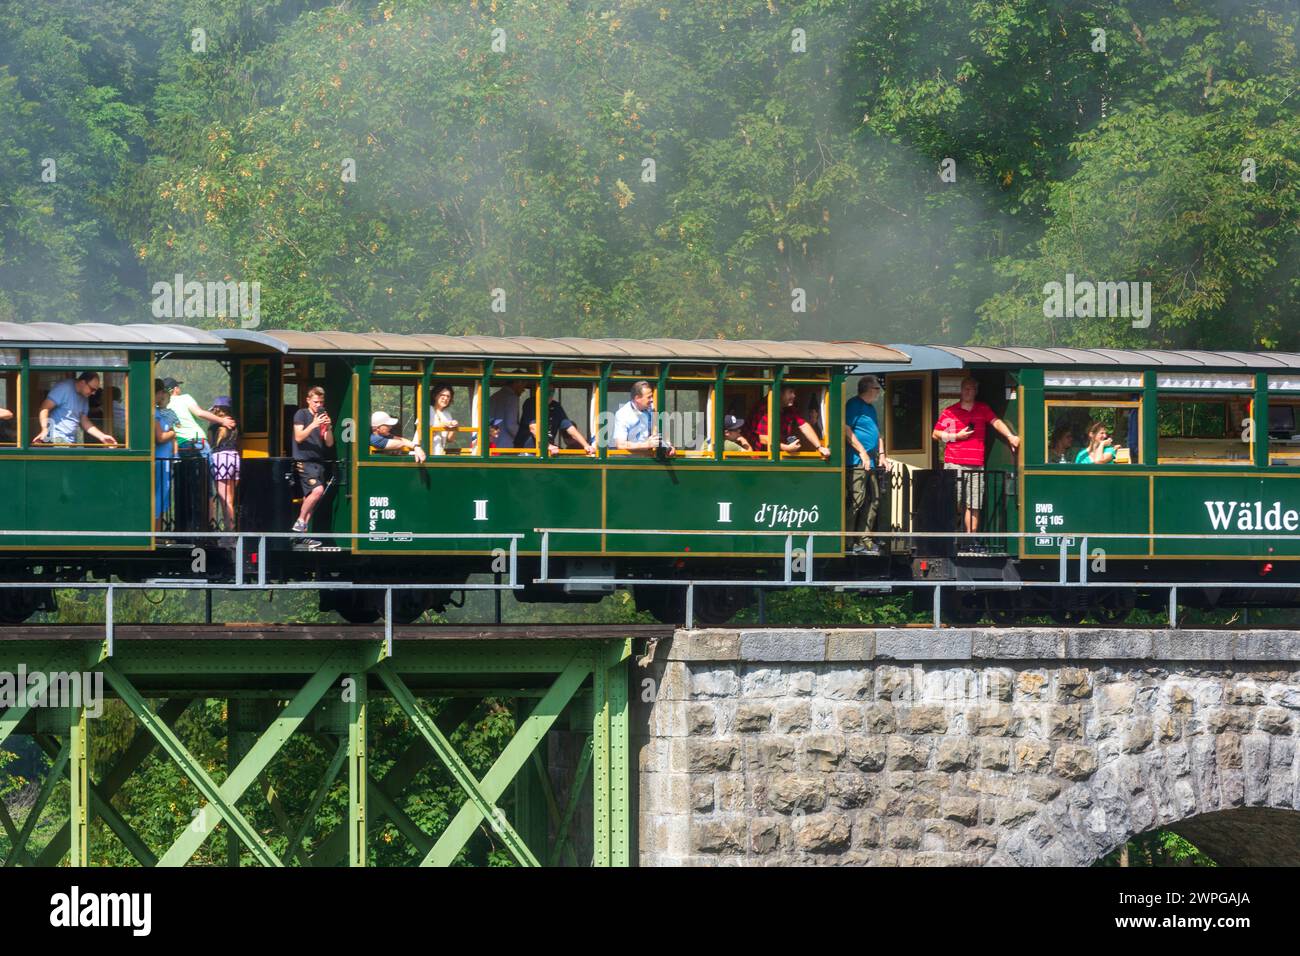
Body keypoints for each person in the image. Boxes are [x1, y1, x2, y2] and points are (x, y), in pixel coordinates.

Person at [932, 376, 1020, 536]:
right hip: (954, 463)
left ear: (976, 391)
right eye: (965, 387)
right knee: (953, 501)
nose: (967, 391)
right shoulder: (950, 411)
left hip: (976, 465)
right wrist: (956, 437)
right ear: (960, 390)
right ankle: (952, 538)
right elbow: (935, 434)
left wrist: (1010, 436)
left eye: (971, 388)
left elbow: (996, 422)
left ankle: (970, 539)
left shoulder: (982, 409)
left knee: (974, 504)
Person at [845, 375, 888, 554]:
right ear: (868, 389)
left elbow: (877, 434)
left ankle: (865, 538)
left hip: (871, 461)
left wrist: (883, 455)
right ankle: (847, 540)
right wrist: (862, 452)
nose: (879, 392)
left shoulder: (871, 408)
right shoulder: (854, 405)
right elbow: (845, 429)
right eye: (877, 388)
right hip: (856, 462)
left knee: (875, 499)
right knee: (857, 500)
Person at [292, 386, 334, 545]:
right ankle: (300, 521)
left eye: (321, 402)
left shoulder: (323, 416)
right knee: (317, 491)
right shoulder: (301, 414)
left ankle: (302, 535)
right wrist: (314, 424)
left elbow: (329, 443)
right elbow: (299, 437)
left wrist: (328, 427)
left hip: (318, 462)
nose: (318, 405)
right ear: (308, 400)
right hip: (304, 461)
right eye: (316, 402)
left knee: (310, 499)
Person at [35, 372, 117, 445]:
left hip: (70, 441)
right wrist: (44, 429)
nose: (93, 393)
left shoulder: (84, 396)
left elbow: (84, 420)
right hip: (55, 437)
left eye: (95, 390)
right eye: (92, 389)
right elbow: (44, 408)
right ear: (82, 382)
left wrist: (102, 436)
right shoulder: (63, 388)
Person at [164, 377, 234, 461]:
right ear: (175, 389)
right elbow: (199, 413)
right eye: (178, 386)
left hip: (179, 445)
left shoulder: (162, 406)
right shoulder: (184, 398)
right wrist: (223, 421)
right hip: (197, 441)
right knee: (207, 472)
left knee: (187, 473)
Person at [519, 390, 596, 456]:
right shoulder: (531, 403)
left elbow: (570, 428)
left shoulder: (556, 406)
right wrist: (548, 446)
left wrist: (586, 446)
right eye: (548, 391)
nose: (550, 394)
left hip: (546, 452)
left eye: (552, 391)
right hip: (528, 452)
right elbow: (533, 428)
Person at [613, 380, 673, 457]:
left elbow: (662, 434)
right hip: (631, 463)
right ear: (637, 398)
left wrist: (669, 446)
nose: (652, 400)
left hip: (651, 460)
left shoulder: (653, 409)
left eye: (652, 396)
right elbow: (621, 444)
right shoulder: (623, 414)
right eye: (649, 397)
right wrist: (646, 444)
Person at [209, 396, 240, 535]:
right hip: (234, 457)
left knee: (224, 499)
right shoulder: (234, 423)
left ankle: (229, 531)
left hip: (220, 459)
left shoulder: (214, 425)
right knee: (230, 498)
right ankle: (231, 528)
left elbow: (211, 444)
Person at [153, 379, 179, 532]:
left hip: (165, 460)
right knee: (159, 495)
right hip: (160, 461)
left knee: (163, 495)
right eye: (161, 392)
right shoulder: (155, 412)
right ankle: (155, 534)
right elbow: (160, 437)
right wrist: (174, 432)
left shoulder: (161, 413)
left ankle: (159, 532)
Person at [778, 387, 830, 458]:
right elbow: (764, 438)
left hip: (781, 455)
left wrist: (819, 447)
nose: (794, 395)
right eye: (790, 392)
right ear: (780, 393)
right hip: (763, 457)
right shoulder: (766, 408)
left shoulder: (790, 409)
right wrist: (785, 447)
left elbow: (804, 425)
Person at [488, 379, 527, 448]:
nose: (523, 390)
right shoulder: (512, 397)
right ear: (517, 383)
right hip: (506, 446)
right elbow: (511, 425)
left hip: (492, 444)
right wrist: (524, 440)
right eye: (523, 386)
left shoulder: (493, 397)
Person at [430, 384, 459, 455]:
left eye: (448, 396)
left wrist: (455, 428)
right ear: (435, 395)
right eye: (442, 395)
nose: (445, 398)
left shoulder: (447, 414)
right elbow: (423, 433)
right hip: (423, 453)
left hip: (438, 453)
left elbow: (450, 439)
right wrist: (444, 425)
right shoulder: (427, 410)